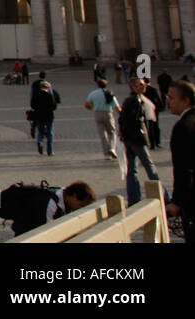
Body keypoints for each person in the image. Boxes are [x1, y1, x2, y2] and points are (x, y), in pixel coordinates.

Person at [120, 76, 163, 206]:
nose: (144, 86)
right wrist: (139, 135)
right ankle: (163, 195)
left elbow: (122, 119)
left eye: (143, 84)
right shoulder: (134, 101)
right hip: (136, 139)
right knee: (149, 166)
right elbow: (133, 121)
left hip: (130, 138)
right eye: (140, 84)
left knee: (132, 169)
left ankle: (134, 198)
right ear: (133, 87)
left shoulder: (133, 100)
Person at [166, 80, 195, 242]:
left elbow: (183, 168)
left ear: (186, 101)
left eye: (172, 98)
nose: (168, 101)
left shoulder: (183, 127)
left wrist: (177, 201)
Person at [84, 78, 120, 158]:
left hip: (97, 113)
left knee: (102, 134)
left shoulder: (93, 94)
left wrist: (92, 108)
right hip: (108, 113)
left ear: (98, 85)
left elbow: (86, 104)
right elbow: (117, 107)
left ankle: (106, 154)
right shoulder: (109, 93)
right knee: (112, 132)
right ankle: (112, 148)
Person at [30, 80, 57, 155]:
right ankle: (50, 151)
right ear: (47, 88)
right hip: (49, 116)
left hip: (39, 116)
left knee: (41, 131)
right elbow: (54, 107)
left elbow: (32, 105)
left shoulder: (36, 95)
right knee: (50, 133)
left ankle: (40, 141)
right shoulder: (50, 95)